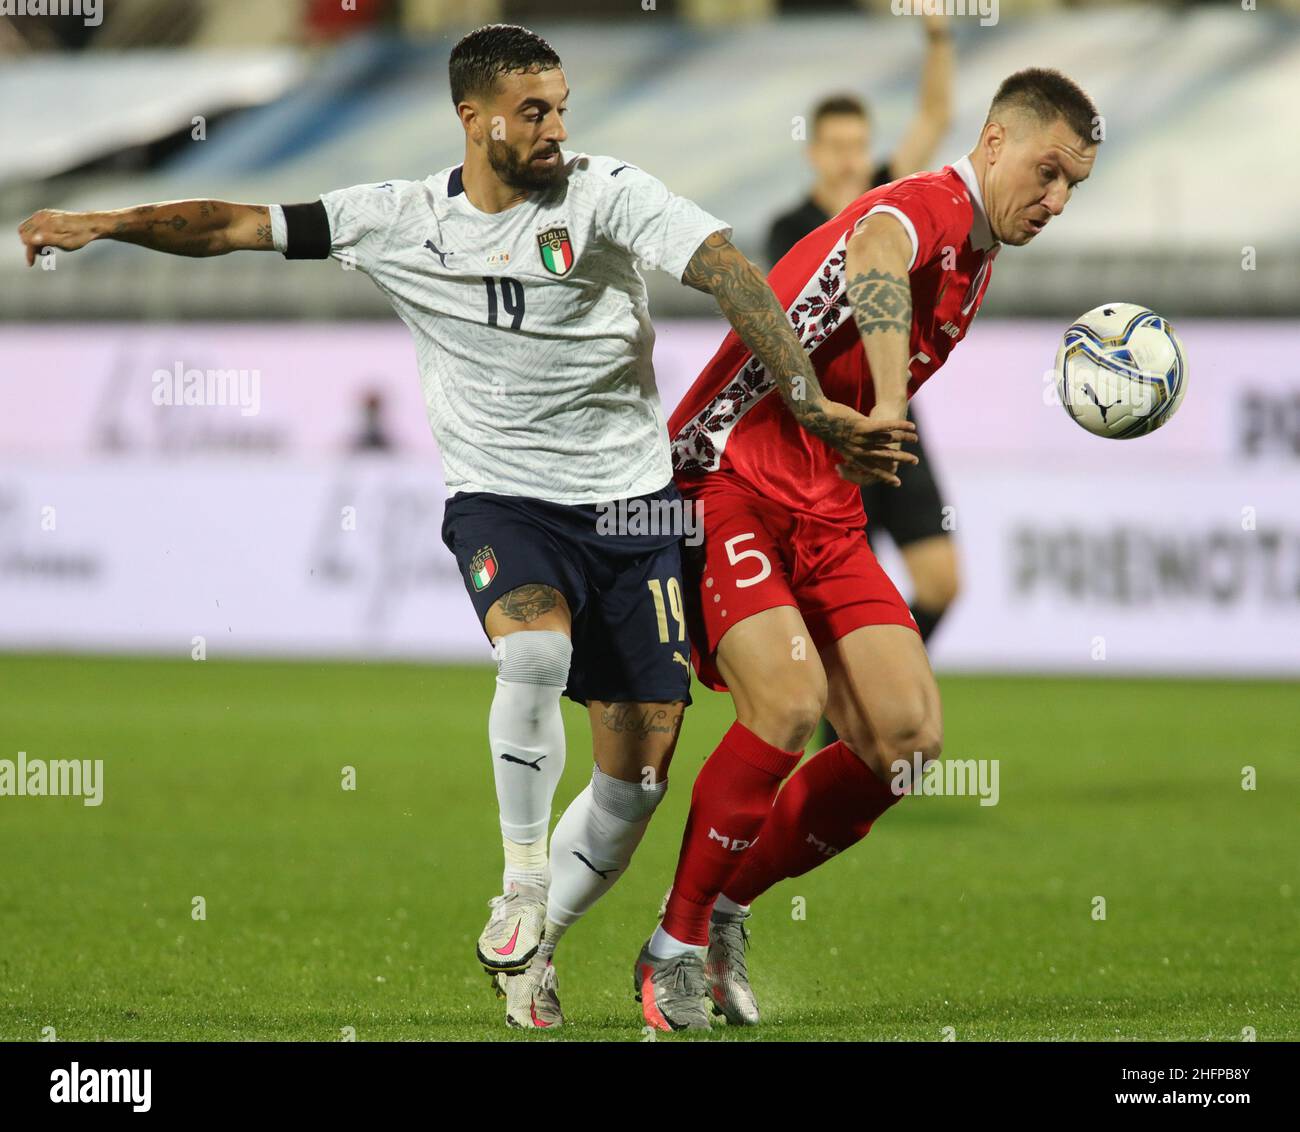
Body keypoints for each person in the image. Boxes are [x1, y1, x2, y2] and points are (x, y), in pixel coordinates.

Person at [18, 23, 909, 1030]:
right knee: (530, 654)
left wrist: (803, 397)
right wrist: (106, 221)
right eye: (533, 112)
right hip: (503, 499)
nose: (555, 128)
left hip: (634, 504)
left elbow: (730, 272)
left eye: (562, 107)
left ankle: (535, 951)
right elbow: (231, 222)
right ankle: (521, 885)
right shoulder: (396, 218)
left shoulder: (606, 192)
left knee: (635, 788)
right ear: (472, 118)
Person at [638, 68, 1100, 1031]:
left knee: (905, 742)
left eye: (1073, 188)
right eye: (1048, 172)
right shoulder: (928, 203)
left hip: (826, 510)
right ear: (993, 141)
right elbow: (875, 254)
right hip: (725, 479)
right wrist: (890, 401)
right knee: (791, 703)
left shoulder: (979, 254)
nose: (1055, 200)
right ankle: (671, 949)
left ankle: (726, 912)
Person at [768, 12, 960, 685]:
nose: (850, 156)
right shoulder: (789, 230)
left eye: (859, 142)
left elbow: (935, 114)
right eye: (836, 144)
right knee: (828, 602)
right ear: (813, 152)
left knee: (940, 580)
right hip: (826, 435)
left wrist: (937, 37)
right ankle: (841, 722)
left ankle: (871, 688)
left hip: (894, 414)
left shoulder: (891, 201)